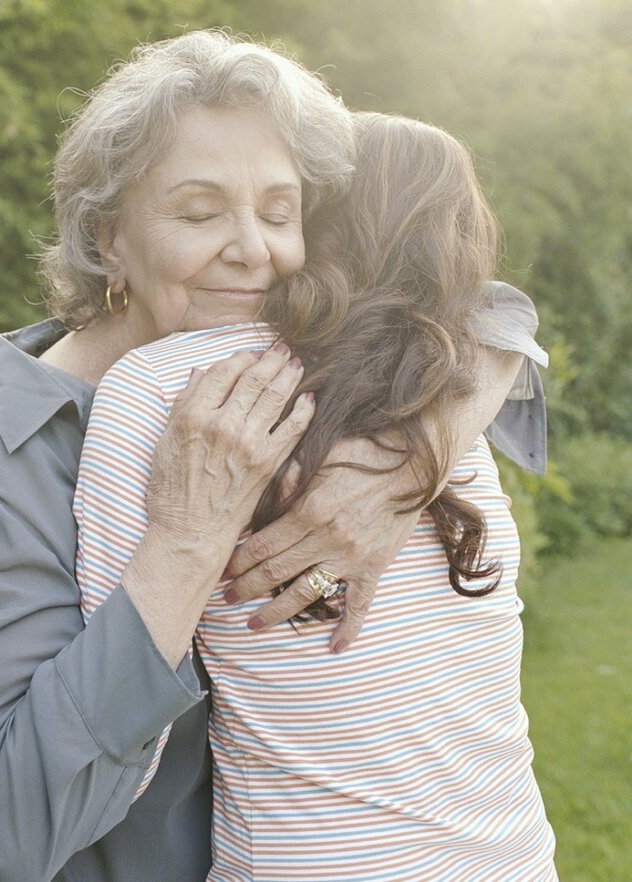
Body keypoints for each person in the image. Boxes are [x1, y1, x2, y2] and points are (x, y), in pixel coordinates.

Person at [0, 31, 547, 882]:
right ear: (109, 240)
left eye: (281, 213)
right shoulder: (3, 469)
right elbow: (7, 838)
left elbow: (490, 312)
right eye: (200, 213)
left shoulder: (285, 359)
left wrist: (407, 464)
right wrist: (186, 544)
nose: (255, 250)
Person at [75, 111, 556, 880]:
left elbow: (108, 708)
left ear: (314, 215)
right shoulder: (453, 398)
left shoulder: (164, 388)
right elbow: (501, 311)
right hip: (514, 855)